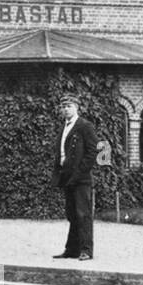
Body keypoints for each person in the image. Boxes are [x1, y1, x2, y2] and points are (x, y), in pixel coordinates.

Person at [52, 94, 98, 262]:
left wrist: (80, 171)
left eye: (69, 106)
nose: (65, 109)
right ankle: (72, 249)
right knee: (71, 214)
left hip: (81, 179)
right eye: (63, 106)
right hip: (67, 177)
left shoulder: (85, 126)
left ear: (77, 107)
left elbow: (93, 151)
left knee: (83, 214)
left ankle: (86, 250)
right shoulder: (63, 127)